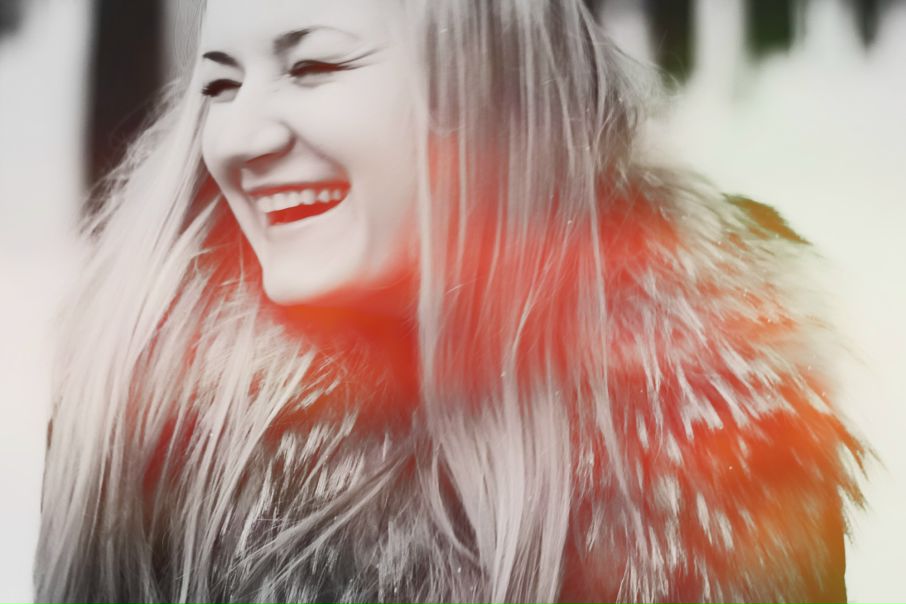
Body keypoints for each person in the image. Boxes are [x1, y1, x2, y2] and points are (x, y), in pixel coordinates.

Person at [34, 0, 866, 602]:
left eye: (312, 67)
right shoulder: (147, 420)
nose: (240, 139)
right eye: (218, 86)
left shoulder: (735, 418)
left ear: (487, 90)